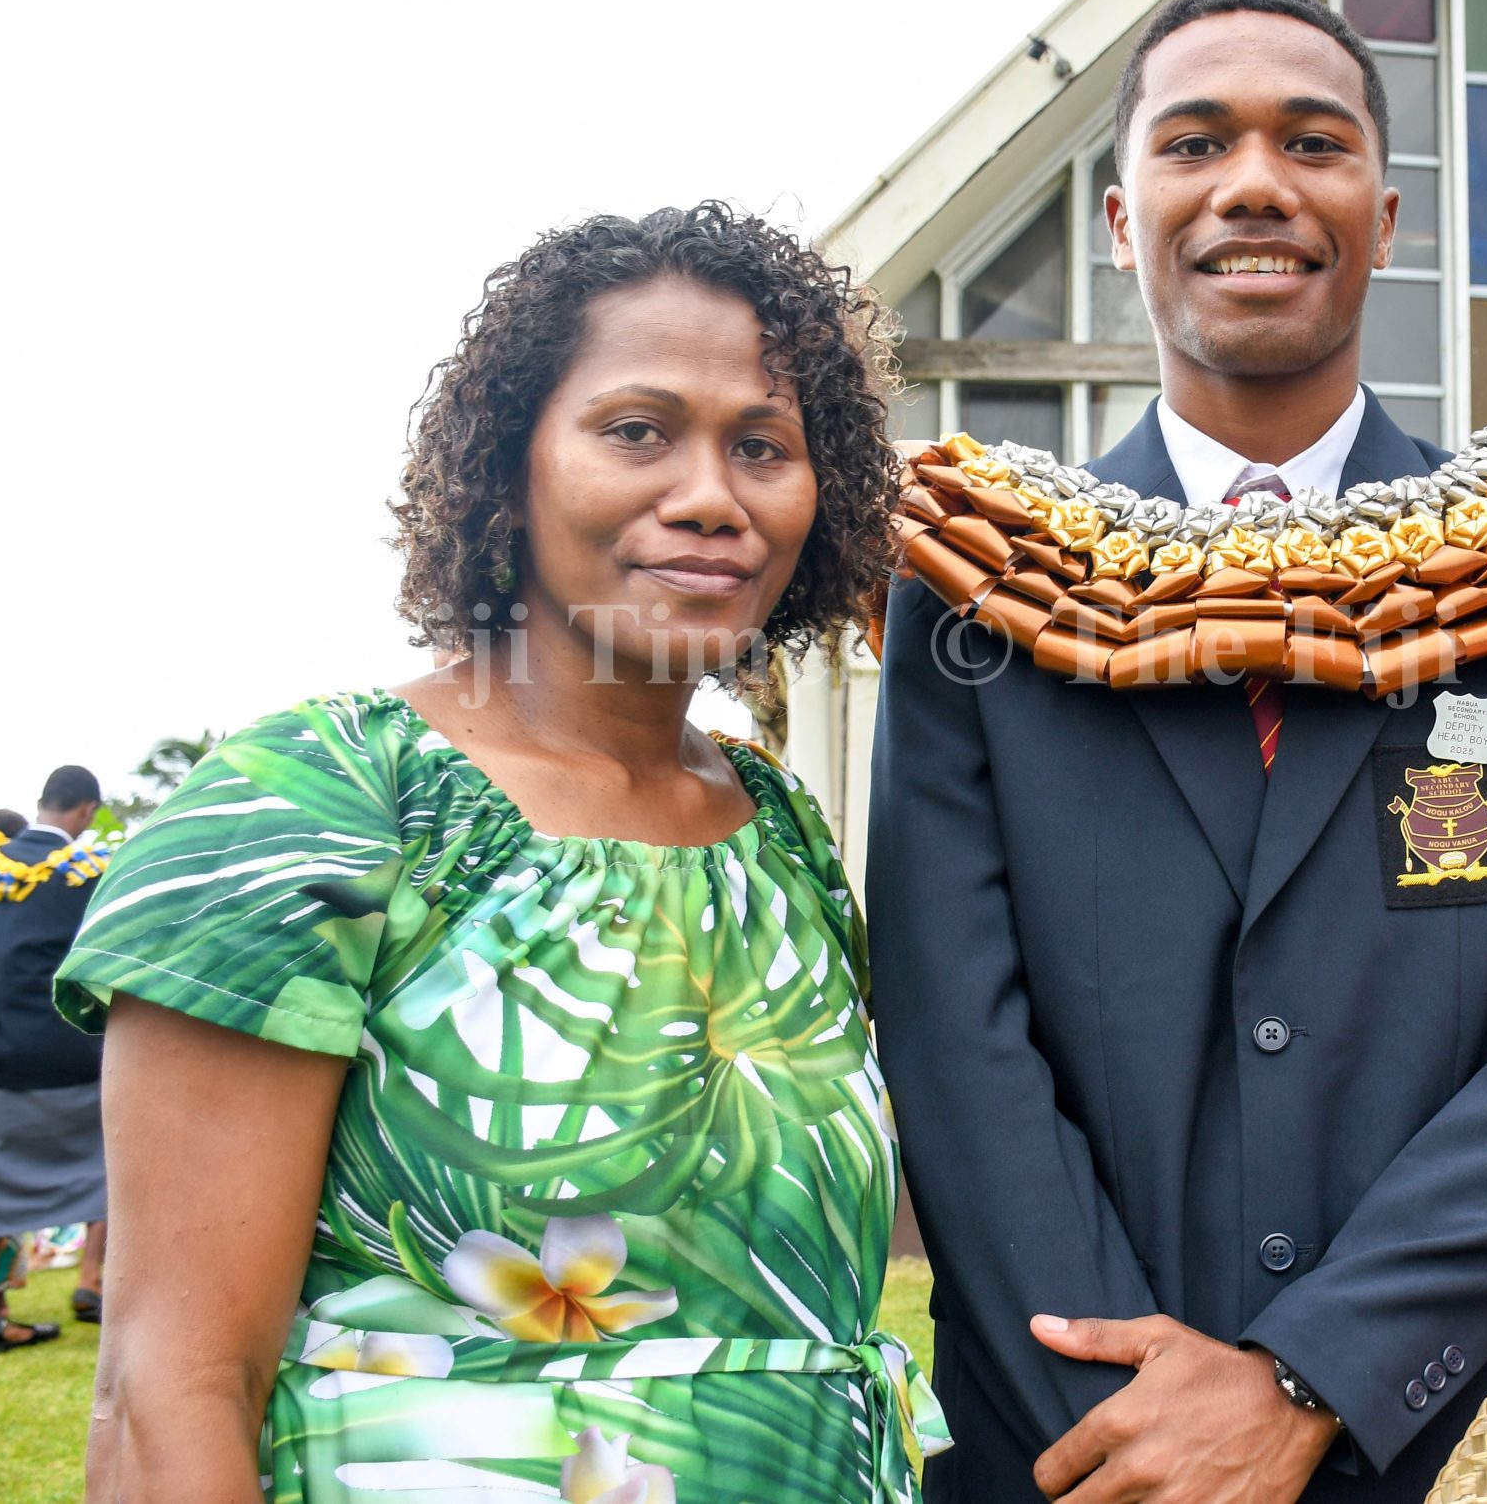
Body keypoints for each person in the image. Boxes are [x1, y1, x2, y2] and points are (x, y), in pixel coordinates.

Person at [869, 0, 1487, 1504]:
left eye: (1312, 142)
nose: (1255, 182)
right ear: (1121, 221)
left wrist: (1317, 1370)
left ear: (1382, 220)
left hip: (1481, 1443)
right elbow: (953, 1035)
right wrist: (1141, 1431)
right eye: (1196, 142)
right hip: (1082, 1449)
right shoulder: (981, 583)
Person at [54, 205, 947, 1503]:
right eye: (637, 430)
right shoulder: (318, 799)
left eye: (763, 445)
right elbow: (168, 1388)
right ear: (507, 463)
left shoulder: (782, 833)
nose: (711, 496)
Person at [0, 767, 112, 1355]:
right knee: (115, 1170)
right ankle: (93, 1281)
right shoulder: (87, 875)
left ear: (42, 803)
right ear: (86, 810)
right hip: (69, 1056)